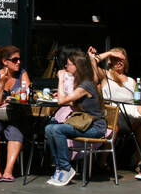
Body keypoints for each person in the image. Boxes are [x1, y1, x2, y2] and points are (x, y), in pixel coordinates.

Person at [44, 50, 105, 186]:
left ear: (77, 66)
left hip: (95, 127)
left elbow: (61, 101)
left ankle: (66, 168)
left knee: (58, 130)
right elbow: (71, 102)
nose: (66, 67)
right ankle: (60, 166)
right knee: (49, 128)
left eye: (68, 64)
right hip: (84, 124)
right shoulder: (81, 83)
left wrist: (60, 79)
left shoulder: (85, 85)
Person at [0, 44, 32, 182]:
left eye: (19, 59)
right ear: (5, 62)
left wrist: (12, 98)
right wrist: (1, 84)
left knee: (16, 131)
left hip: (15, 114)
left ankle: (8, 171)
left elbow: (27, 95)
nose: (18, 62)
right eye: (15, 60)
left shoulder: (22, 74)